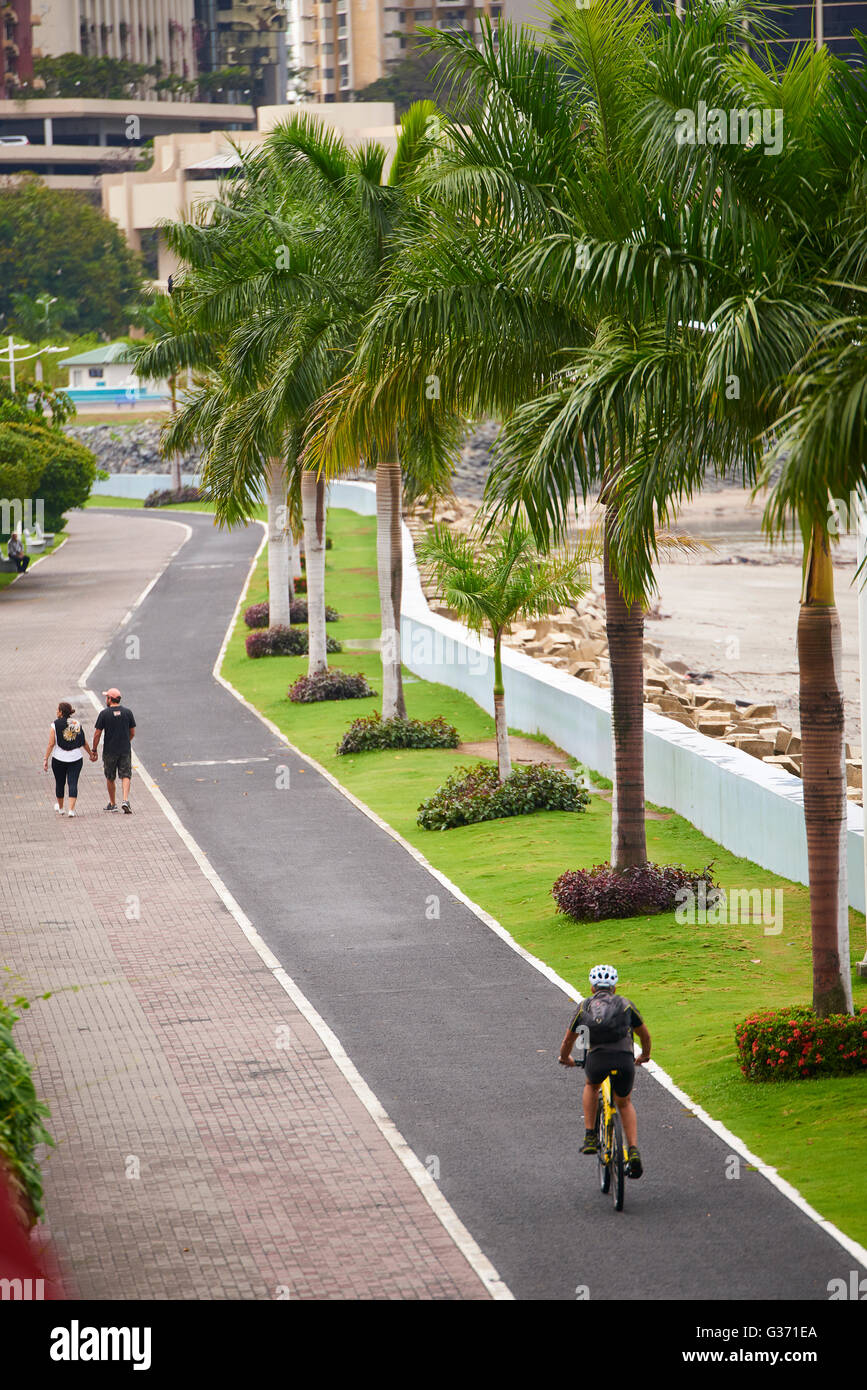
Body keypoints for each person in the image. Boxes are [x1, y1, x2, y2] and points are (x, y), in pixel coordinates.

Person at [558, 963, 651, 1179]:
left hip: (597, 1059)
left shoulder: (584, 1006)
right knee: (624, 1102)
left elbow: (568, 1040)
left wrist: (565, 1058)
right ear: (615, 987)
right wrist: (644, 1055)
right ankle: (633, 1151)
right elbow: (644, 1036)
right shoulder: (626, 1005)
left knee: (591, 1085)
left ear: (592, 988)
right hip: (624, 1059)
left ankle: (590, 1135)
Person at [43, 702, 96, 817]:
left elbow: (51, 743)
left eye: (57, 709)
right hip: (76, 758)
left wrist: (46, 758)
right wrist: (90, 754)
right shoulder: (76, 723)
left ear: (61, 712)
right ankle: (71, 810)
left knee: (60, 783)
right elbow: (83, 741)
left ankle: (61, 808)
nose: (56, 711)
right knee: (73, 783)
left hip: (59, 759)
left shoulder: (54, 725)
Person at [92, 688, 136, 814]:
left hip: (109, 751)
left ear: (110, 699)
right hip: (125, 750)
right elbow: (132, 732)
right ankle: (125, 800)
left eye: (107, 697)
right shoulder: (128, 712)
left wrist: (94, 749)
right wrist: (126, 741)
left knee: (110, 776)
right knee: (126, 775)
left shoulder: (104, 714)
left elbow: (97, 733)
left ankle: (112, 803)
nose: (106, 699)